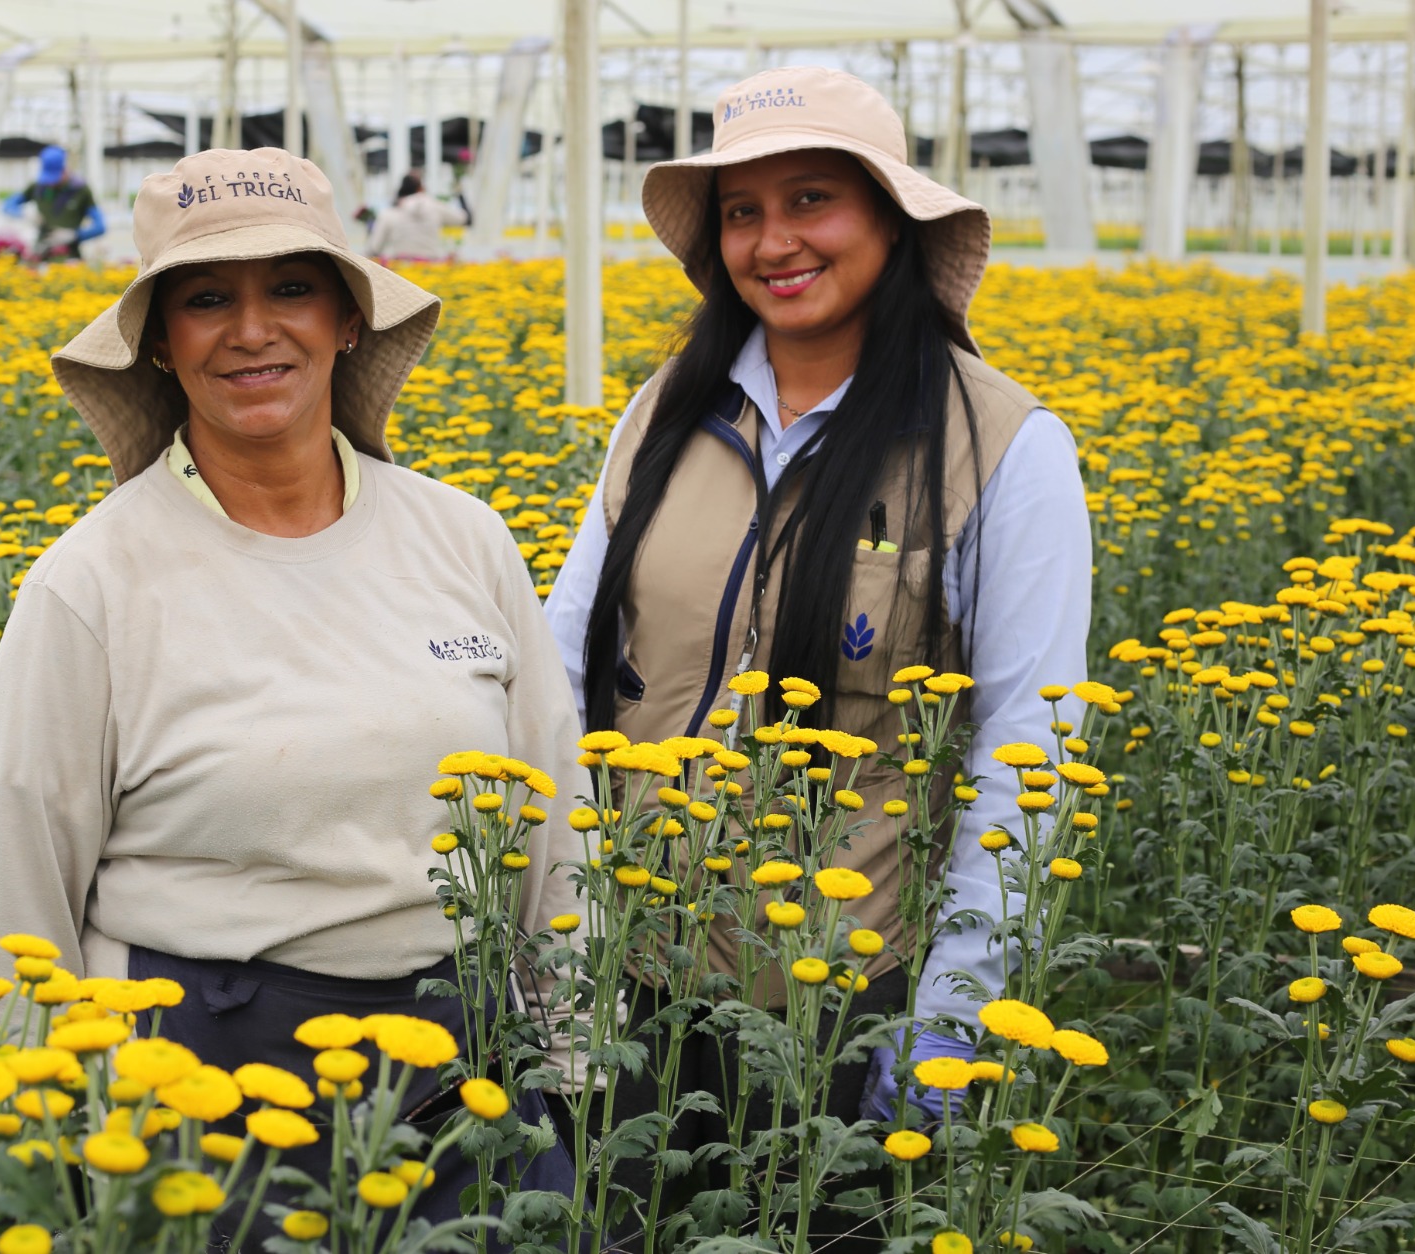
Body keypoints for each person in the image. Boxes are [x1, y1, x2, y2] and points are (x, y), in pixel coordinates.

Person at [0, 147, 582, 1246]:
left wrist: (574, 1059)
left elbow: (553, 815)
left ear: (347, 318)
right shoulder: (92, 581)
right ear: (160, 341)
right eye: (208, 300)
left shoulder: (462, 538)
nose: (253, 330)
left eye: (291, 288)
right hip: (208, 1082)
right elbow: (23, 880)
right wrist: (33, 1134)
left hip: (462, 1067)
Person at [543, 66, 1091, 1241]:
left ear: (890, 220)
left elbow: (1026, 756)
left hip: (835, 1007)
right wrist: (547, 934)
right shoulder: (665, 412)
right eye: (741, 211)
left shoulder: (1004, 447)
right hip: (627, 976)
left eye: (810, 201)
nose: (772, 240)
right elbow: (558, 659)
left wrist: (951, 1011)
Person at [2, 144, 107, 259]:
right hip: (40, 252)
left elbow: (100, 226)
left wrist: (75, 235)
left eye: (55, 178)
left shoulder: (81, 190)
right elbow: (8, 205)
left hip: (69, 255)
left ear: (64, 169)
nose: (51, 183)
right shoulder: (39, 186)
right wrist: (24, 214)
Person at [367, 171, 469, 261]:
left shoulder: (390, 212)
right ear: (421, 188)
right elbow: (466, 219)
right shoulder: (434, 206)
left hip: (400, 268)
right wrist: (460, 193)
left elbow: (375, 248)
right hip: (432, 265)